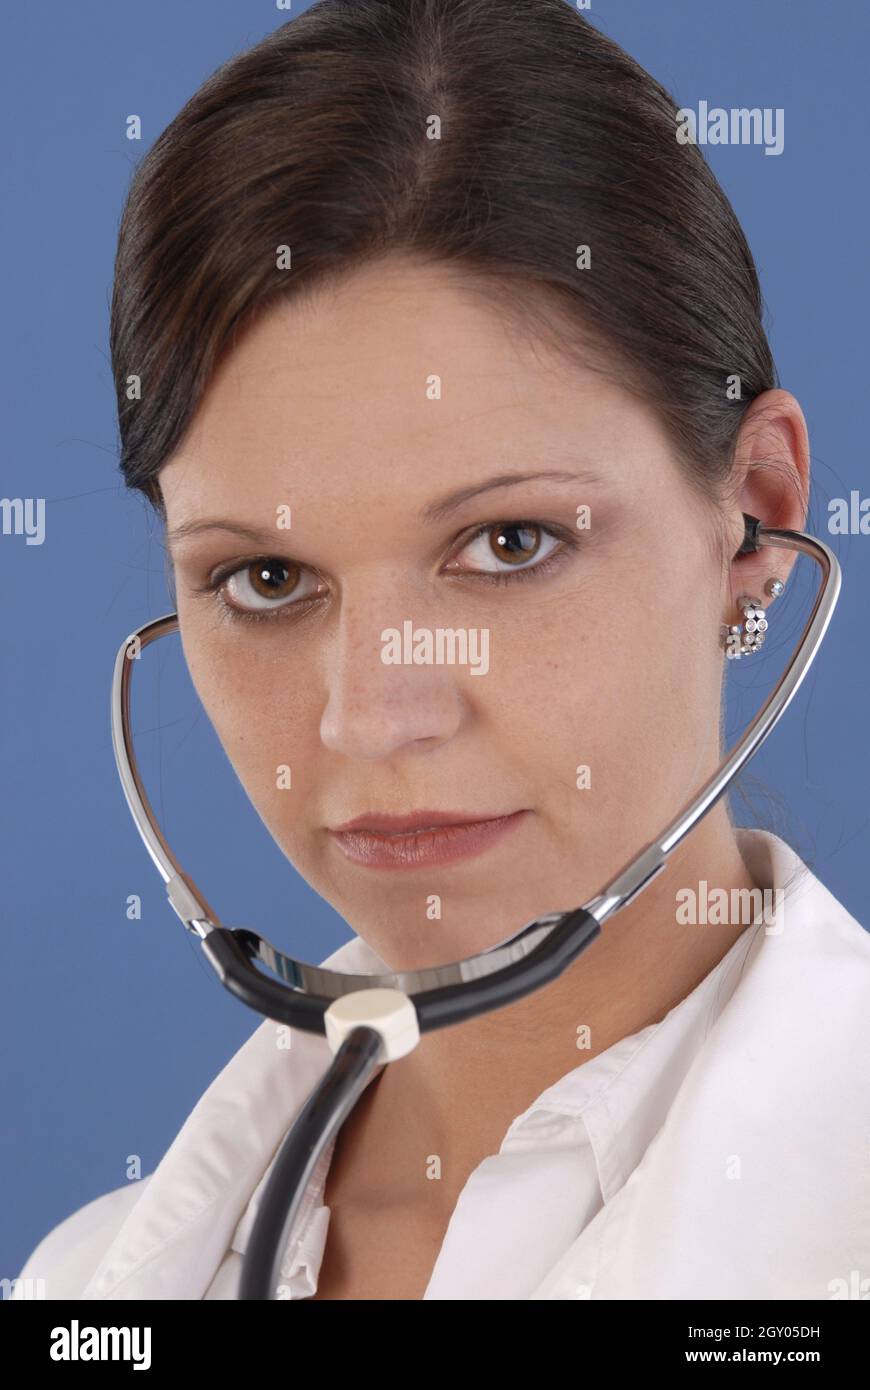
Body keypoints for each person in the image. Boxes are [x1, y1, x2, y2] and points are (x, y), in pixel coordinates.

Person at [14, 0, 869, 1300]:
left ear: (752, 515)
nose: (369, 715)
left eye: (509, 543)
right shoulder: (85, 1281)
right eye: (265, 576)